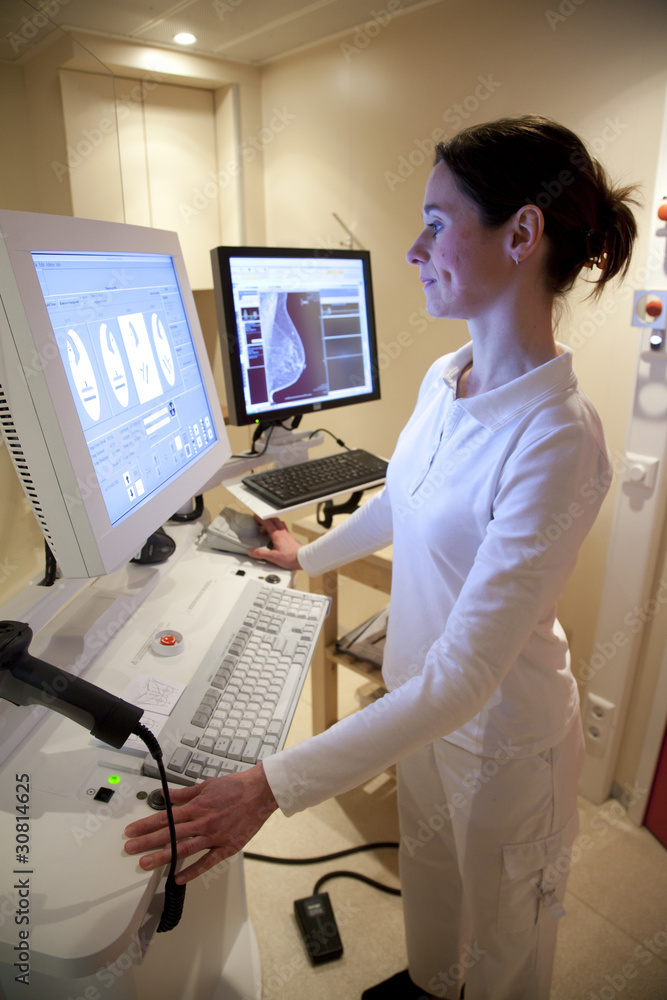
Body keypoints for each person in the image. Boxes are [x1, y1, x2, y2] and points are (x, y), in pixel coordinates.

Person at [123, 116, 638, 1000]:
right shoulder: (448, 377)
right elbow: (401, 497)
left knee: (509, 951)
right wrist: (308, 557)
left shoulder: (557, 437)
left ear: (521, 233)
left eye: (436, 222)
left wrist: (272, 785)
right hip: (418, 712)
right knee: (435, 903)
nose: (412, 248)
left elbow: (466, 679)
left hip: (502, 742)